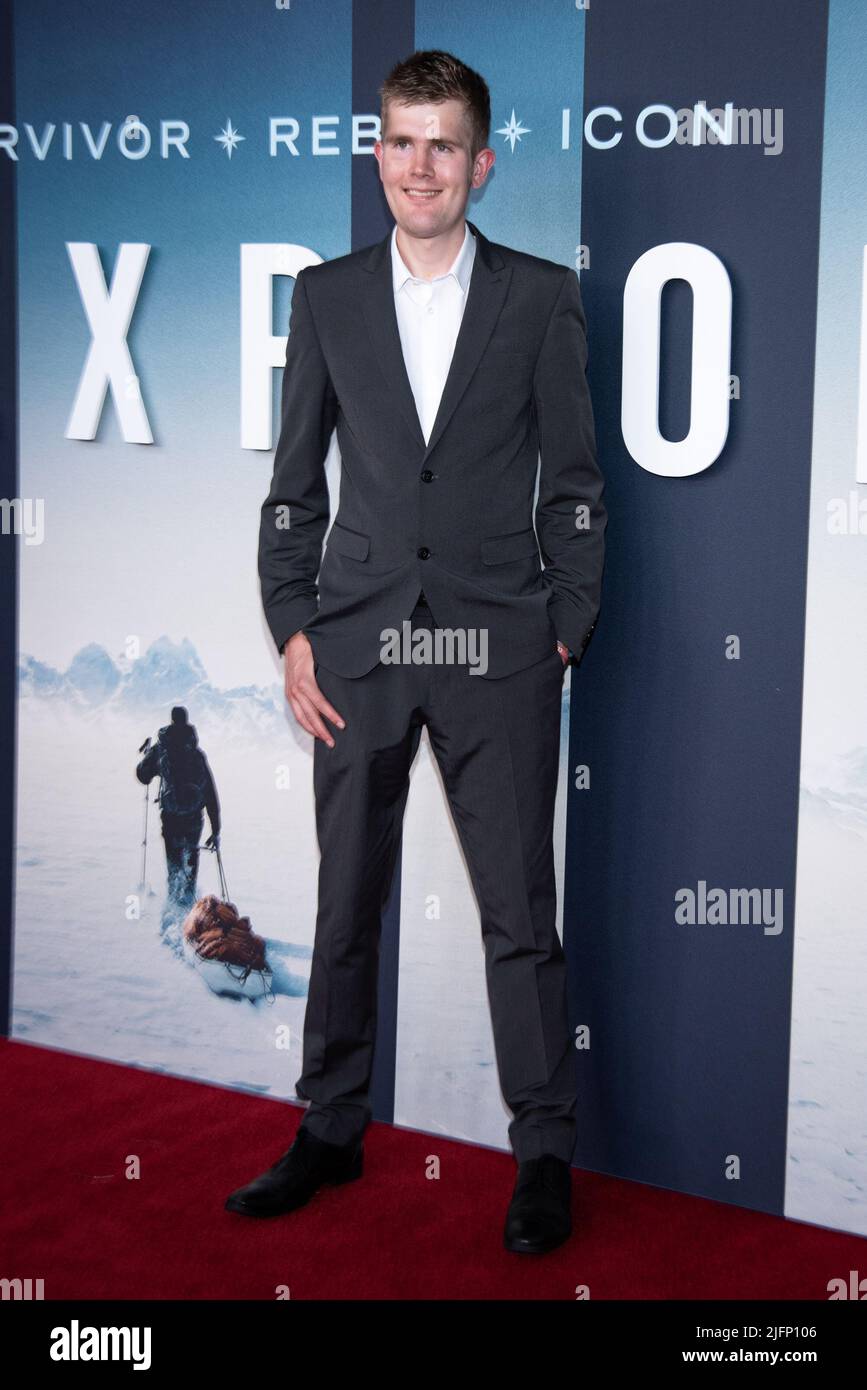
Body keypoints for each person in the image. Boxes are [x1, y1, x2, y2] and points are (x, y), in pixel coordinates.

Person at [233, 49, 607, 1255]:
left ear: (481, 163)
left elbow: (579, 485)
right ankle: (330, 1129)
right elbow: (293, 491)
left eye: (445, 144)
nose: (421, 165)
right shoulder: (327, 296)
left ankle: (544, 1149)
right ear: (378, 154)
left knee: (519, 916)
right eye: (402, 140)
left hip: (501, 650)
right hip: (360, 648)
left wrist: (566, 621)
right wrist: (294, 625)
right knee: (345, 905)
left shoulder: (543, 296)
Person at [136, 706, 221, 914]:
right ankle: (189, 903)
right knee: (191, 858)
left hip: (171, 816)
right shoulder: (197, 753)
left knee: (173, 860)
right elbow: (210, 793)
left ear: (172, 720)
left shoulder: (161, 749)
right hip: (194, 817)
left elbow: (142, 776)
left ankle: (174, 903)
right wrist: (215, 830)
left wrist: (147, 755)